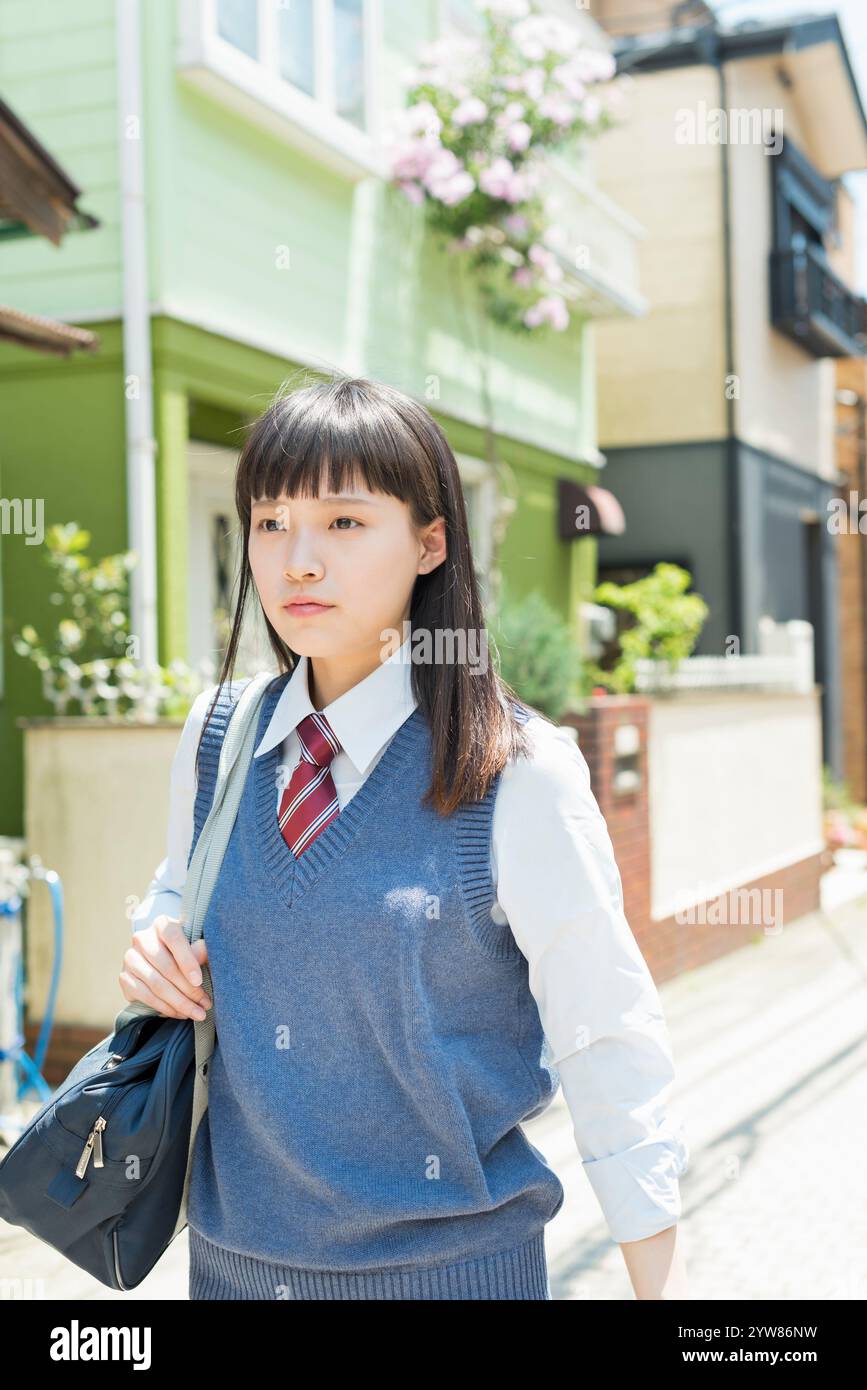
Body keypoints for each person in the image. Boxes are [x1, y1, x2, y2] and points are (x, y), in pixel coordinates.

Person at [120, 373, 690, 1301]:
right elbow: (182, 891)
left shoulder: (518, 775)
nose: (297, 560)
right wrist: (156, 941)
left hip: (451, 1281)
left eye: (344, 523)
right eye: (270, 522)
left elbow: (608, 1043)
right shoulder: (217, 738)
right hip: (227, 1276)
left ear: (431, 543)